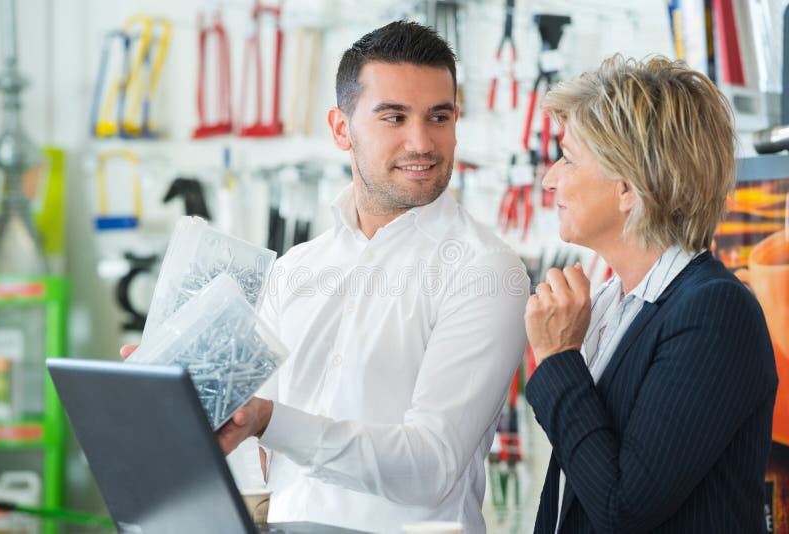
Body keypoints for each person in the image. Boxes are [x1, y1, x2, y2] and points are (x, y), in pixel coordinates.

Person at [124, 21, 527, 533]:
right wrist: (187, 390)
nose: (422, 141)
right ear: (342, 129)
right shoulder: (297, 269)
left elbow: (431, 468)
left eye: (439, 117)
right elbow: (254, 452)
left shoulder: (486, 271)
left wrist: (268, 421)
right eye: (394, 117)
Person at [523, 54, 778, 533]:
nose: (549, 177)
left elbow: (623, 509)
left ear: (627, 189)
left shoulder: (714, 313)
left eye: (569, 159)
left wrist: (558, 357)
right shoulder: (611, 305)